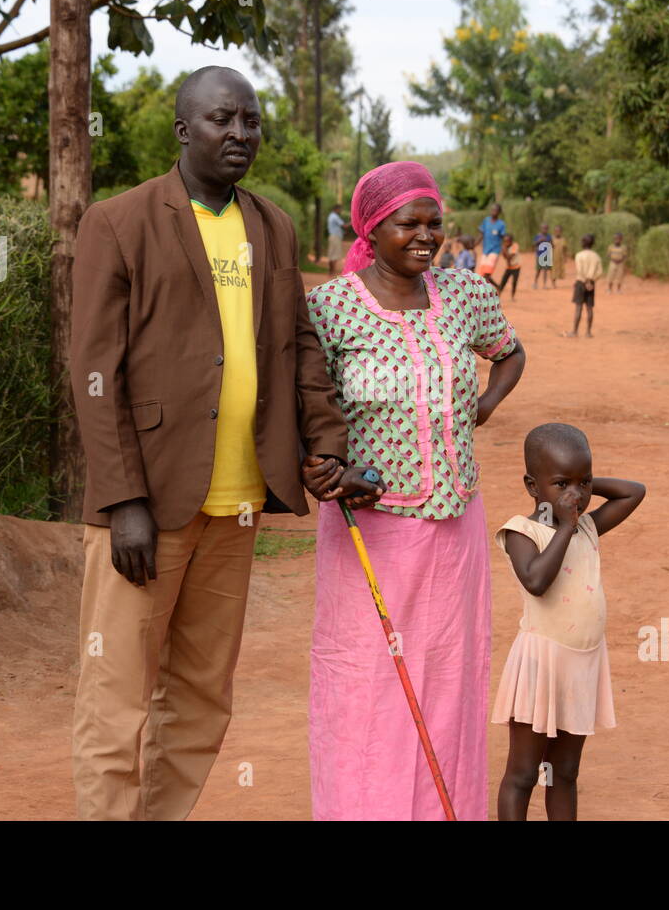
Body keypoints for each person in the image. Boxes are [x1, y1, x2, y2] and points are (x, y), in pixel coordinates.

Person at [69, 66, 383, 821]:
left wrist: (327, 444)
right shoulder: (120, 222)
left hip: (237, 504)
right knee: (117, 700)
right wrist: (123, 500)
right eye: (222, 120)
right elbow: (93, 372)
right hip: (149, 506)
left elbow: (301, 349)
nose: (240, 134)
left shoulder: (271, 226)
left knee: (203, 698)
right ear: (183, 130)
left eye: (251, 121)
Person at [305, 161, 527, 820]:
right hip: (371, 534)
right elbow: (300, 406)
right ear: (372, 229)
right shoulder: (331, 307)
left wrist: (483, 407)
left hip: (456, 533)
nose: (427, 235)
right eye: (410, 223)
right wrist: (319, 466)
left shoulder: (463, 294)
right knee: (371, 686)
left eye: (435, 223)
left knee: (448, 679)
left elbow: (510, 350)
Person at [493, 423, 646, 820]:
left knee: (566, 771)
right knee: (524, 773)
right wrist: (564, 524)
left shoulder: (587, 525)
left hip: (582, 663)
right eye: (561, 484)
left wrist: (581, 486)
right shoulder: (521, 532)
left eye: (584, 483)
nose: (575, 495)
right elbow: (537, 581)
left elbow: (634, 491)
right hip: (539, 665)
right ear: (532, 486)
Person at [568, 233, 601, 337]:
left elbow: (580, 270)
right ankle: (588, 332)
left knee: (578, 308)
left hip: (581, 283)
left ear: (583, 243)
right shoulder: (596, 256)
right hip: (591, 284)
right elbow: (600, 272)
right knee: (589, 308)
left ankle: (575, 331)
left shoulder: (579, 255)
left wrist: (585, 281)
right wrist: (591, 281)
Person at [475, 202, 507, 284]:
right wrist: (474, 245)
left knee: (487, 273)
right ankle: (496, 287)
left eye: (495, 210)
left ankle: (494, 288)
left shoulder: (501, 224)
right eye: (492, 209)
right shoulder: (486, 220)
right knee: (480, 274)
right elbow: (481, 234)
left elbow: (503, 238)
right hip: (485, 250)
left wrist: (504, 249)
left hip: (494, 251)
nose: (493, 211)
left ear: (499, 212)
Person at [497, 232, 522, 299]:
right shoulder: (505, 247)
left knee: (514, 282)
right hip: (508, 267)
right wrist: (504, 250)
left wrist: (504, 249)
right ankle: (498, 295)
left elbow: (509, 257)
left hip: (516, 267)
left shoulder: (515, 246)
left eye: (507, 241)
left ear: (511, 241)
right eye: (505, 241)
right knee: (503, 282)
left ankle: (512, 296)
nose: (506, 243)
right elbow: (505, 257)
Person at [326, 202, 347, 276]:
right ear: (337, 209)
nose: (341, 211)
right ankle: (332, 272)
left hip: (333, 236)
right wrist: (353, 222)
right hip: (335, 237)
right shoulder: (335, 217)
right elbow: (344, 226)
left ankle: (331, 272)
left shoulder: (331, 216)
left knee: (332, 254)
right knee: (334, 255)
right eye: (340, 209)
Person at [533, 223, 553, 289]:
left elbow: (552, 245)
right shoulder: (538, 236)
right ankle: (535, 283)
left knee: (545, 270)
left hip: (546, 255)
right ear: (541, 229)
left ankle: (544, 285)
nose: (545, 230)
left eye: (546, 228)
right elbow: (534, 244)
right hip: (539, 255)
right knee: (538, 271)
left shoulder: (549, 236)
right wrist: (540, 240)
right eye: (543, 228)